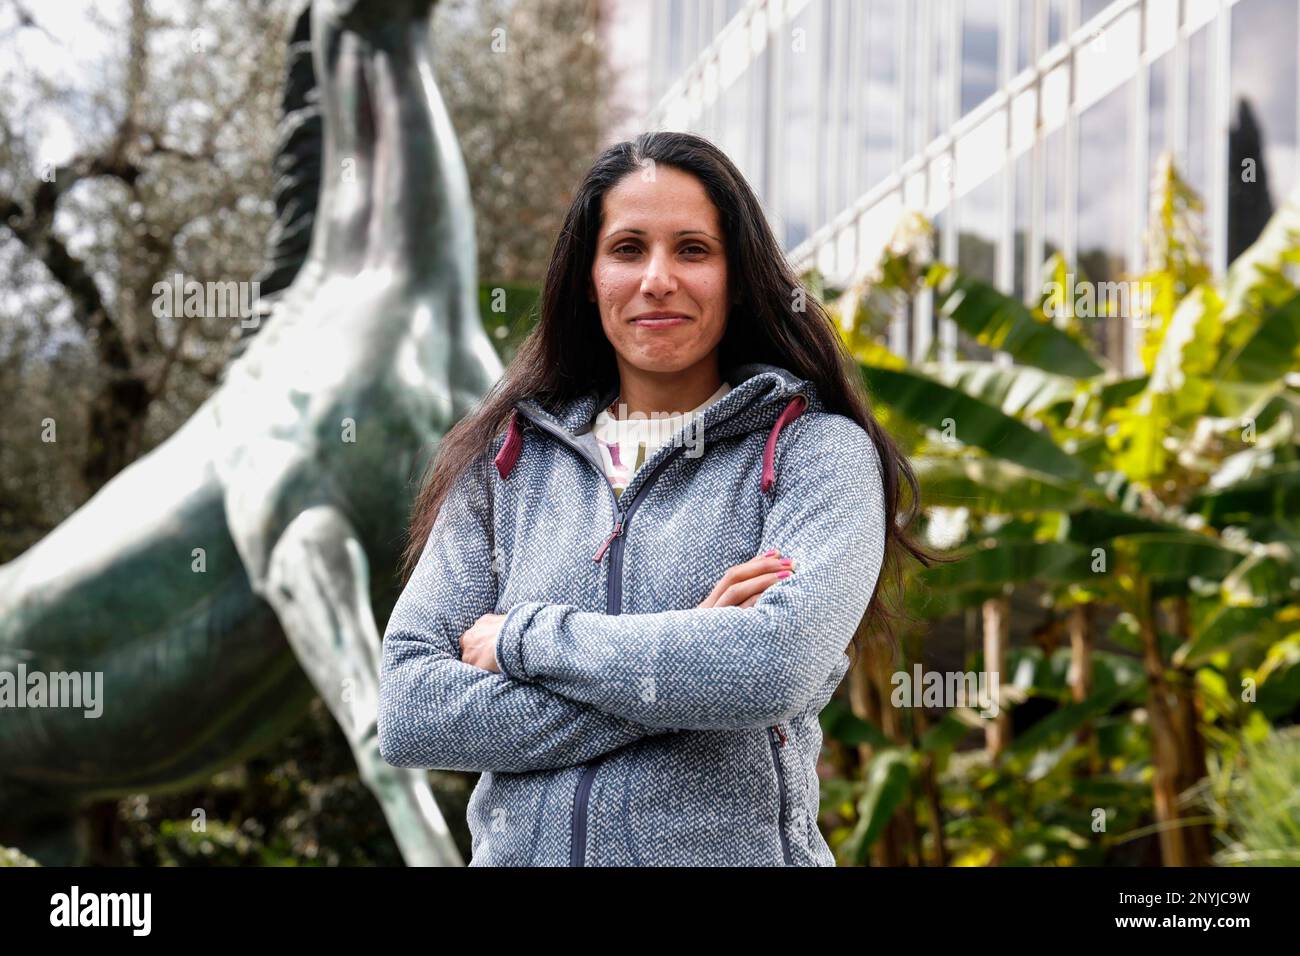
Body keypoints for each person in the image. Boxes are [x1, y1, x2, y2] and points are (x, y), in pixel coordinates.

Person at [378, 130, 932, 866]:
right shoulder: (503, 462)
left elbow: (772, 667)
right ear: (589, 276)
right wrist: (692, 655)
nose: (658, 278)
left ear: (737, 276)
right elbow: (412, 709)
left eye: (693, 250)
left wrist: (524, 640)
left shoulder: (812, 452)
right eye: (629, 249)